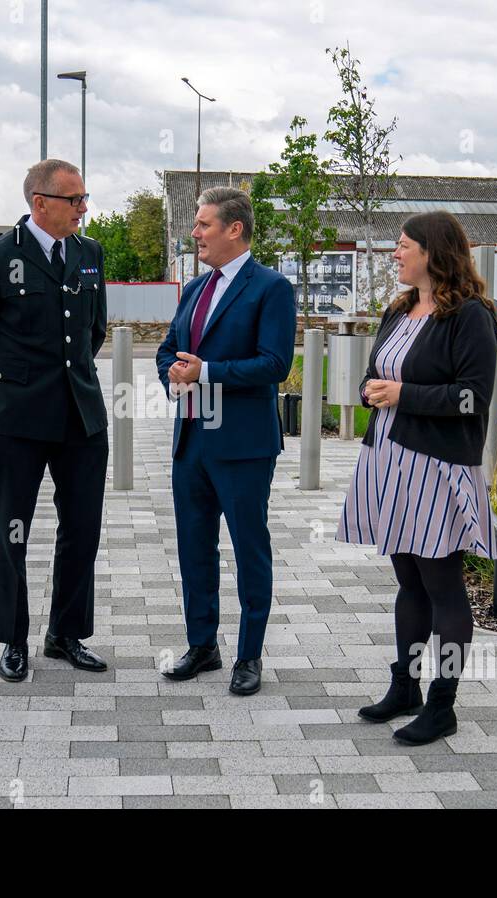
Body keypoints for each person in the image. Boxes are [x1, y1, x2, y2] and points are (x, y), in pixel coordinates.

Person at [336, 210, 497, 745]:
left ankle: (442, 705)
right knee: (408, 581)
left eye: (403, 245)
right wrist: (371, 390)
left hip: (436, 467)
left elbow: (473, 397)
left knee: (443, 586)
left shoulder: (471, 315)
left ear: (432, 251)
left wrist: (402, 395)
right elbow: (374, 375)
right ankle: (404, 686)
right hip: (388, 459)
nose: (395, 253)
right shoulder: (400, 308)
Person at [0, 159, 109, 683]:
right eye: (74, 200)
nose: (84, 209)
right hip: (19, 417)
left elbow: (95, 330)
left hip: (80, 415)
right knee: (12, 529)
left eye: (84, 199)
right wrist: (4, 382)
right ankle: (13, 639)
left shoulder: (89, 253)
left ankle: (66, 634)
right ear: (39, 203)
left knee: (82, 528)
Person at [156, 187, 296, 696]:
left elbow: (275, 364)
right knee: (195, 549)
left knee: (248, 550)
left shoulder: (271, 288)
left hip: (242, 446)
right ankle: (202, 646)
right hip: (190, 441)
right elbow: (169, 348)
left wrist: (208, 370)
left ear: (234, 229)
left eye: (203, 225)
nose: (195, 233)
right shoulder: (194, 288)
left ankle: (249, 655)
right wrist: (171, 370)